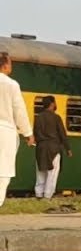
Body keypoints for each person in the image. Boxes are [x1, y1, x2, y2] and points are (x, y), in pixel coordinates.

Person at [0, 52, 32, 207]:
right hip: (4, 133)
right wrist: (28, 133)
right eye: (10, 64)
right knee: (3, 172)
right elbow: (19, 110)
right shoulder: (11, 84)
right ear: (5, 65)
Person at [31, 96, 70, 199]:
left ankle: (39, 194)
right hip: (54, 148)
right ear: (52, 104)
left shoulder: (38, 117)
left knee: (40, 171)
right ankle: (48, 195)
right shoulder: (56, 118)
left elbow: (35, 133)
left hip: (41, 148)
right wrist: (68, 149)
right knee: (52, 173)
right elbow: (62, 134)